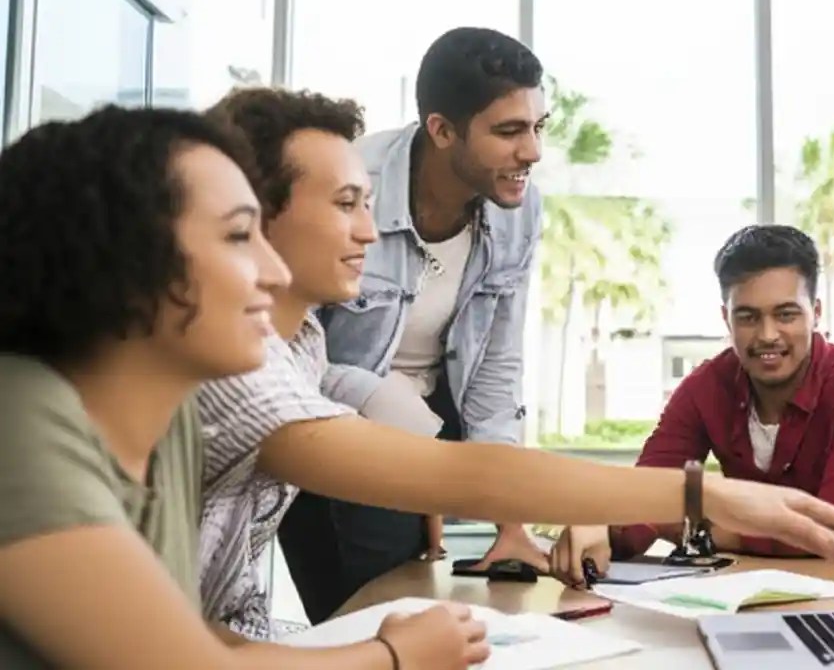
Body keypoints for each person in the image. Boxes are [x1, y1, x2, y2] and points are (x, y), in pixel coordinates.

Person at [197, 87, 834, 638]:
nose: (372, 232)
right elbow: (466, 474)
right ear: (253, 217)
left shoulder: (300, 347)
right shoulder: (236, 376)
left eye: (368, 204)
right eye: (347, 205)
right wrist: (704, 494)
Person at [0, 106, 492, 669]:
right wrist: (391, 656)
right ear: (123, 257)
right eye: (238, 235)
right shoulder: (17, 417)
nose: (274, 272)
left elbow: (188, 631)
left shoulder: (172, 422)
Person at [279, 26, 547, 623]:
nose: (532, 151)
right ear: (442, 129)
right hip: (330, 412)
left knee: (421, 596)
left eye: (538, 127)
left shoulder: (520, 203)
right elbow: (286, 353)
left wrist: (510, 516)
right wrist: (407, 428)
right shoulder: (352, 187)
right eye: (509, 131)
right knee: (374, 602)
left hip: (429, 412)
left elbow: (496, 364)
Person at [549, 225, 834, 586]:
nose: (768, 335)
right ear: (727, 318)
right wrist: (600, 522)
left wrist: (703, 528)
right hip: (747, 591)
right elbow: (649, 492)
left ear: (815, 312)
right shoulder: (705, 386)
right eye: (748, 317)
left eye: (786, 314)